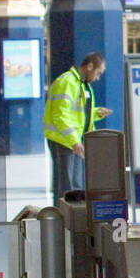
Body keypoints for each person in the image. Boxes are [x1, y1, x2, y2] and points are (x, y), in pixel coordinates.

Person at [44, 52, 111, 198]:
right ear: (90, 66)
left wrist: (95, 113)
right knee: (66, 187)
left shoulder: (81, 85)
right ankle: (64, 218)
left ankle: (73, 217)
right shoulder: (67, 82)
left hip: (74, 141)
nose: (98, 78)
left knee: (75, 186)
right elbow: (60, 115)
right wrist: (74, 140)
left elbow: (77, 113)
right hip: (64, 141)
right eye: (98, 73)